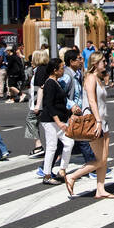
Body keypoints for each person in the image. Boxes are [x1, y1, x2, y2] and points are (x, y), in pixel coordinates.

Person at [64, 52, 114, 199]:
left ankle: (100, 189)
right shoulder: (90, 78)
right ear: (95, 63)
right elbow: (92, 101)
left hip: (103, 121)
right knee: (99, 159)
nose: (105, 64)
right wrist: (98, 121)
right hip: (94, 122)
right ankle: (72, 176)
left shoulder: (98, 79)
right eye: (103, 61)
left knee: (104, 159)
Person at [38, 57, 73, 185]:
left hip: (57, 120)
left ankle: (62, 170)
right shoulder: (50, 84)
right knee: (52, 147)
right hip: (50, 121)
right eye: (61, 68)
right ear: (55, 70)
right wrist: (58, 121)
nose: (63, 70)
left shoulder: (55, 82)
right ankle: (47, 175)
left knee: (69, 143)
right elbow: (49, 105)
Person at [25, 49, 49, 157]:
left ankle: (38, 145)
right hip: (40, 102)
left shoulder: (40, 70)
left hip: (38, 102)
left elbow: (40, 88)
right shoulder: (44, 69)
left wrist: (37, 105)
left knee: (31, 120)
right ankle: (39, 145)